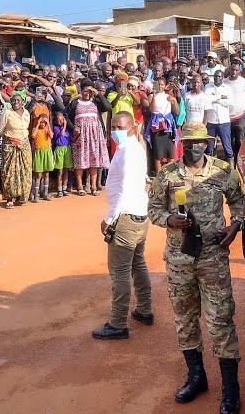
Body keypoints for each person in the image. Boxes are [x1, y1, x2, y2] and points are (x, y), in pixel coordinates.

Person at [149, 121, 245, 414]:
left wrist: (235, 225)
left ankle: (231, 389)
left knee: (220, 320)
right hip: (179, 259)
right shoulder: (167, 174)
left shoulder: (222, 170)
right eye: (189, 143)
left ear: (208, 143)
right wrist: (169, 219)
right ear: (183, 144)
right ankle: (196, 377)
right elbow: (153, 209)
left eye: (200, 142)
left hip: (213, 258)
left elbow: (239, 201)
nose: (195, 147)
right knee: (185, 319)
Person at [92, 111, 154, 341]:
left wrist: (109, 218)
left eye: (120, 127)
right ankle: (145, 310)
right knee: (138, 263)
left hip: (125, 216)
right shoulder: (135, 148)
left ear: (131, 128)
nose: (115, 131)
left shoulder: (128, 151)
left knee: (120, 272)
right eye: (113, 127)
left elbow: (125, 190)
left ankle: (118, 323)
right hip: (140, 213)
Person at [0, 93, 32, 207]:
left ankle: (20, 197)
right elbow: (1, 130)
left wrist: (22, 141)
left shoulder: (26, 113)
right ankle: (9, 198)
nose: (16, 102)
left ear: (23, 102)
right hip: (10, 146)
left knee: (24, 170)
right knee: (10, 172)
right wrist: (12, 140)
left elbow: (26, 128)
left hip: (24, 145)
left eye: (18, 100)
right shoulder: (7, 113)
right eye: (13, 100)